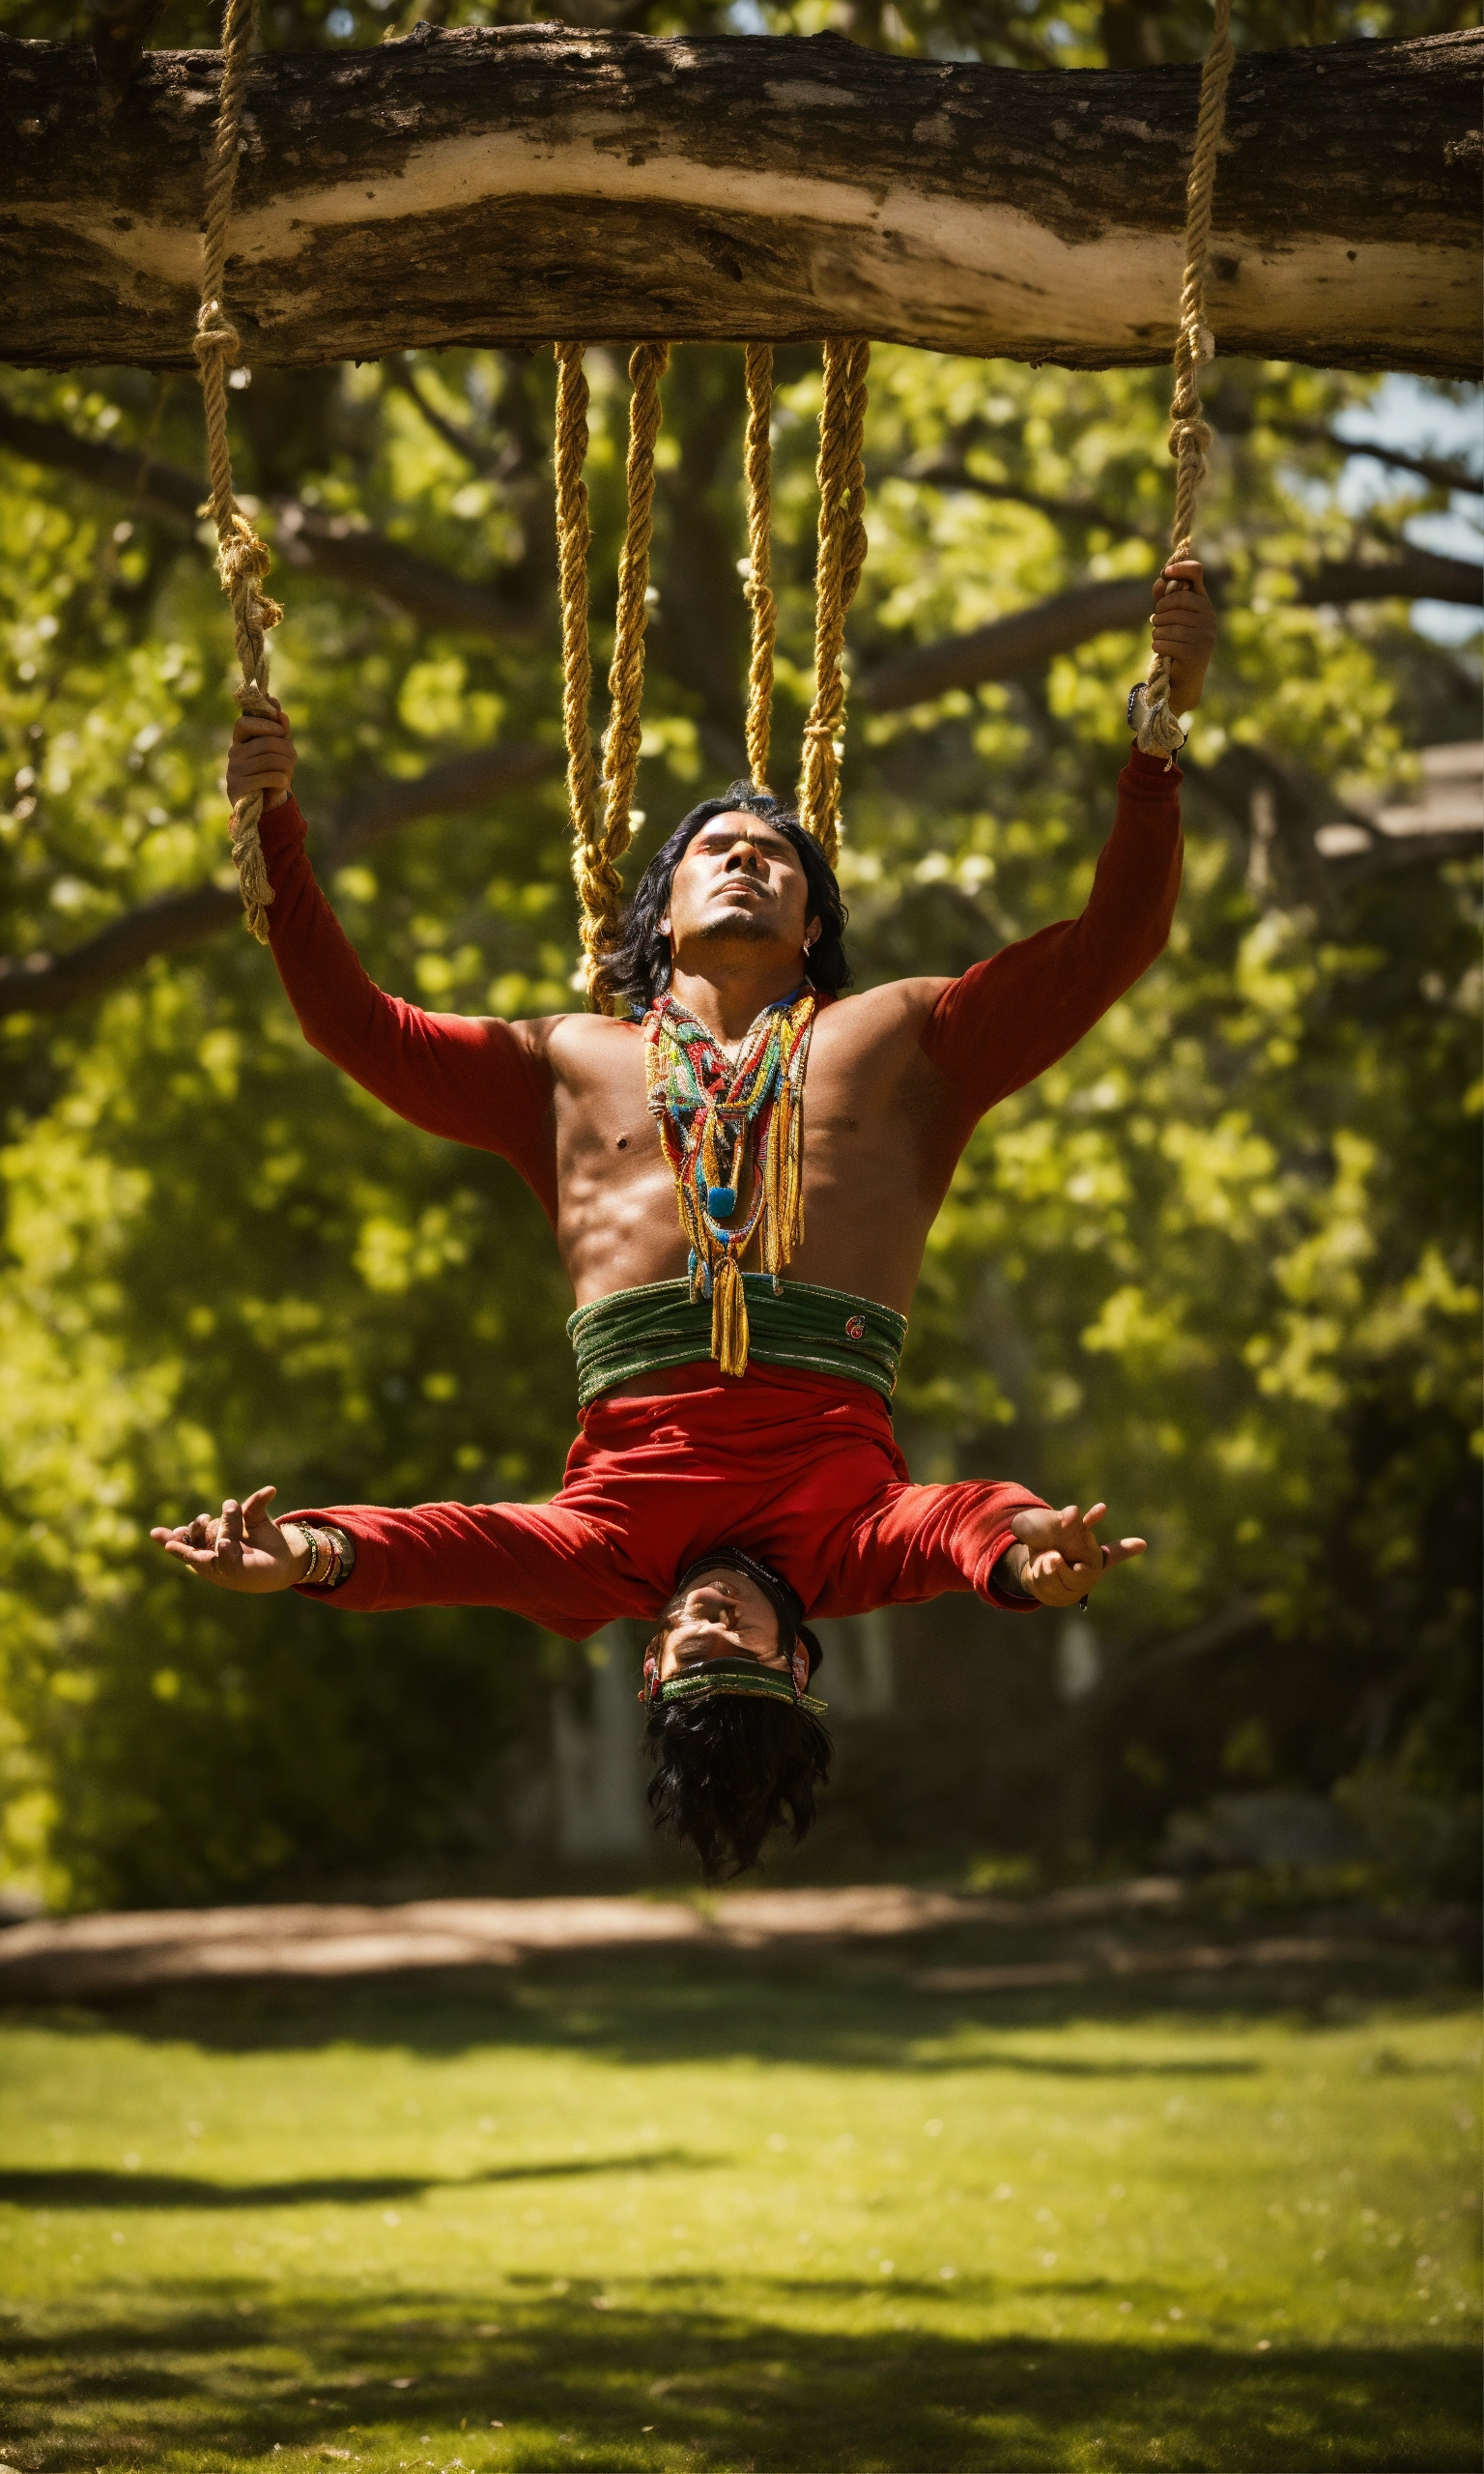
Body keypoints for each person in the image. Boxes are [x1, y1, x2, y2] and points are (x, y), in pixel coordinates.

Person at [153, 561, 1218, 1872]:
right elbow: (955, 1528)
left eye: (693, 1657)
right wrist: (1158, 742)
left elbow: (451, 1546)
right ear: (802, 1651)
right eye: (750, 1659)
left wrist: (302, 1554)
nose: (718, 1630)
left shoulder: (601, 1550)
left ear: (650, 1654)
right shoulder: (898, 1050)